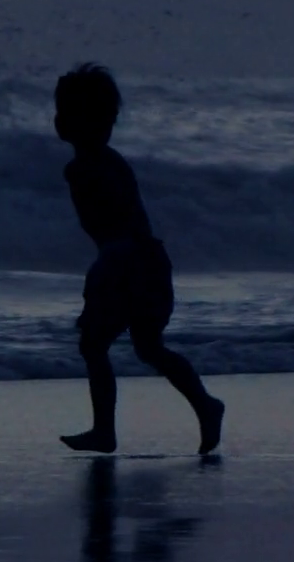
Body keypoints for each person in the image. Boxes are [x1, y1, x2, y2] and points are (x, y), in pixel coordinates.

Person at [53, 64, 224, 455]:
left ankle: (105, 431)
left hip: (126, 264)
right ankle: (205, 405)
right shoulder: (105, 162)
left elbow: (116, 227)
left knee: (95, 346)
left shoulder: (87, 168)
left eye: (67, 112)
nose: (59, 120)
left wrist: (107, 275)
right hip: (146, 261)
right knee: (148, 347)